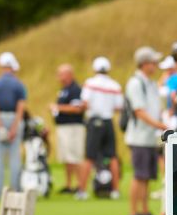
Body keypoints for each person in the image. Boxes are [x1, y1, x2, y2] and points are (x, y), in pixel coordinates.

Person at [123, 47, 167, 215]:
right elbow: (139, 111)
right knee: (139, 175)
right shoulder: (135, 83)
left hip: (149, 137)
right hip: (139, 137)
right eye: (153, 62)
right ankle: (133, 214)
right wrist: (160, 125)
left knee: (147, 176)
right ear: (144, 64)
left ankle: (145, 211)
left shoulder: (150, 82)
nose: (156, 65)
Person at [79, 56, 123, 200]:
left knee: (89, 156)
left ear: (95, 68)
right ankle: (115, 191)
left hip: (94, 121)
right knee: (112, 156)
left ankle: (82, 191)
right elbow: (118, 107)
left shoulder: (90, 83)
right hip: (108, 121)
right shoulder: (115, 85)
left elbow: (85, 103)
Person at [0, 52, 28, 201]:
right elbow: (20, 107)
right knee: (15, 157)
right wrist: (14, 128)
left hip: (0, 120)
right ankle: (15, 191)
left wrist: (0, 126)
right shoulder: (19, 84)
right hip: (14, 119)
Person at [50, 64, 86, 195]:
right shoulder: (63, 90)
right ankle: (69, 184)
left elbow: (77, 108)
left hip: (73, 128)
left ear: (70, 74)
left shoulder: (75, 89)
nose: (59, 77)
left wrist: (58, 107)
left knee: (75, 156)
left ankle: (80, 185)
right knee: (66, 157)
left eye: (61, 74)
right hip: (63, 127)